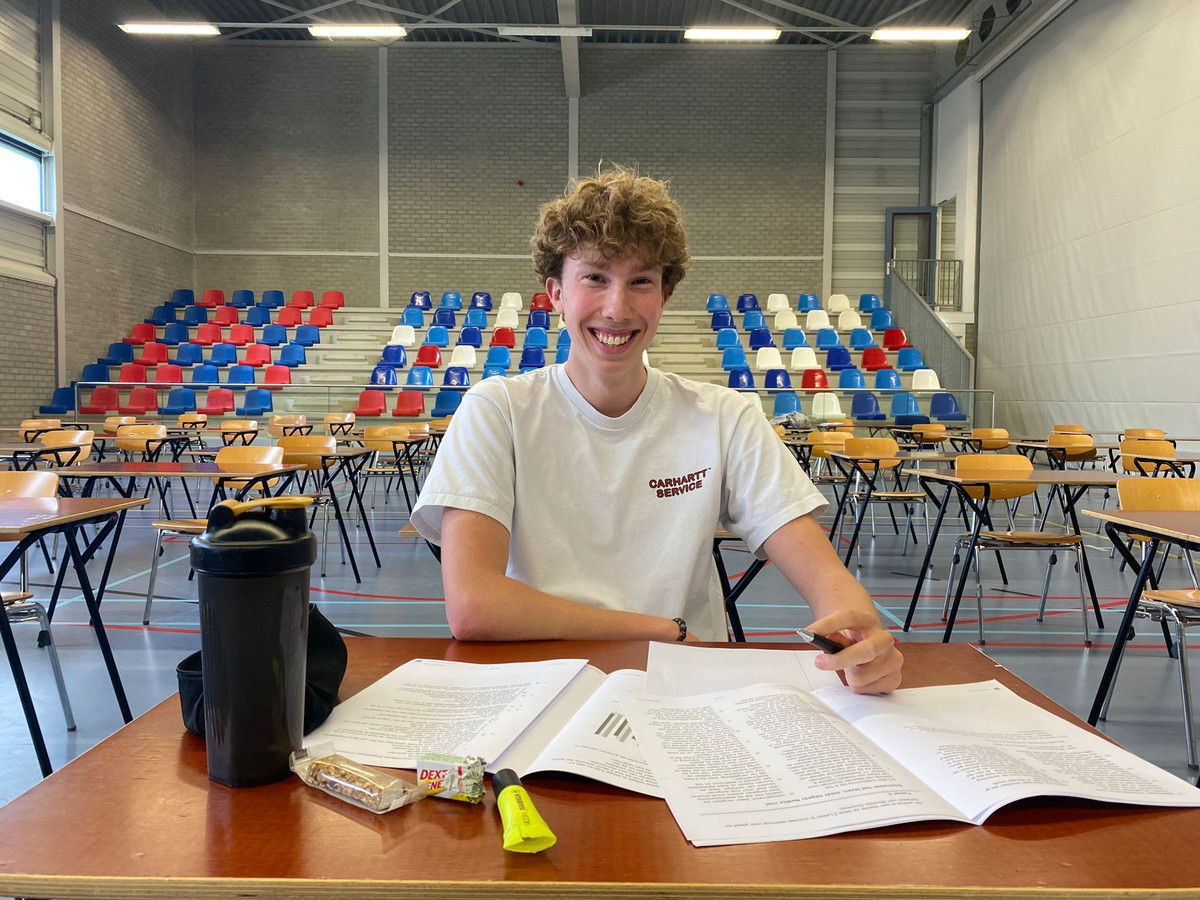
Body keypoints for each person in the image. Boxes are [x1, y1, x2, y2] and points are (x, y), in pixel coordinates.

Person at [411, 167, 902, 694]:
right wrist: (659, 629)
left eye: (640, 281)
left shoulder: (724, 417)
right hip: (538, 683)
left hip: (682, 686)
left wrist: (859, 631)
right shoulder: (497, 411)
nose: (617, 308)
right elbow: (474, 606)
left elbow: (821, 571)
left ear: (664, 295)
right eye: (595, 277)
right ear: (555, 292)